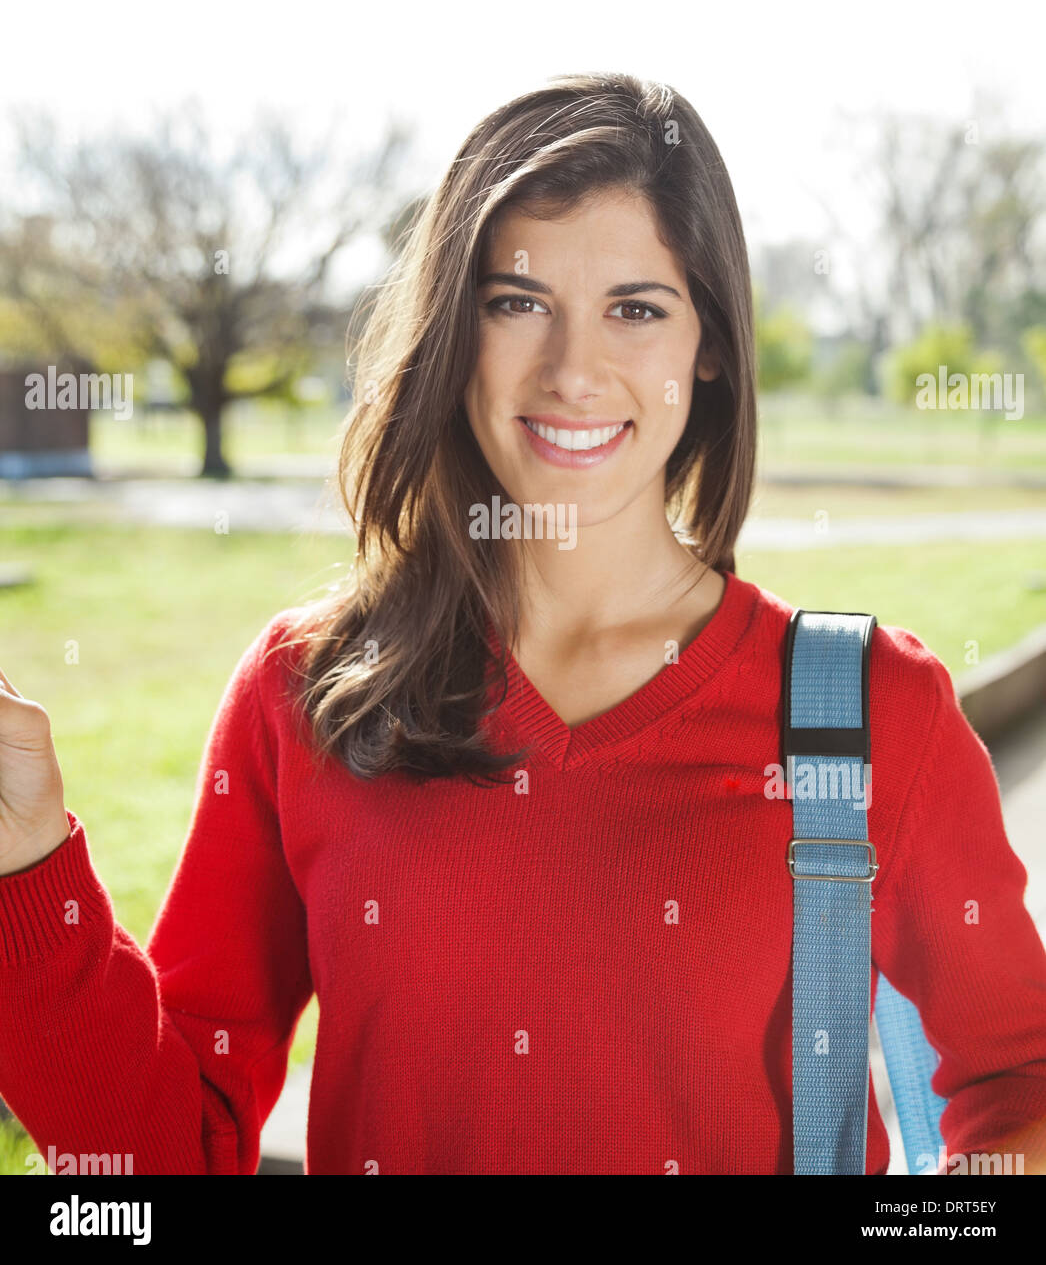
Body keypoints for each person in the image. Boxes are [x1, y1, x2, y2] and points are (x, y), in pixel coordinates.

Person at [2, 72, 1045, 1176]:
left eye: (635, 308)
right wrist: (25, 865)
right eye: (516, 301)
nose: (572, 371)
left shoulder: (871, 707)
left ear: (708, 345)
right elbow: (164, 1162)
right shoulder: (303, 690)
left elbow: (1016, 1082)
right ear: (454, 331)